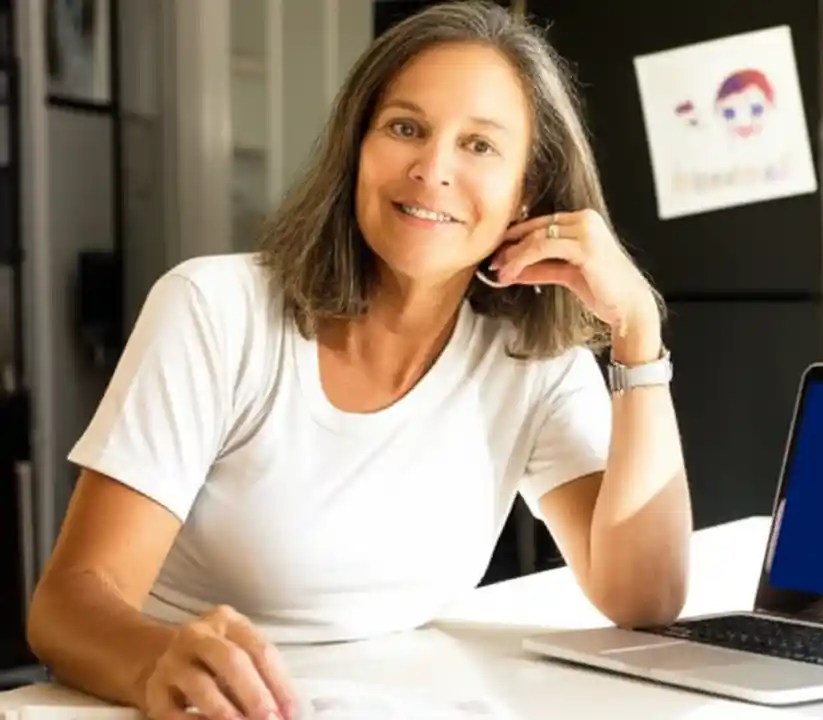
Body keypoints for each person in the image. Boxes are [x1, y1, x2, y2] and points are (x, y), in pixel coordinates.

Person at [25, 3, 692, 719]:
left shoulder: (531, 362)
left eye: (480, 146)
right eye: (406, 128)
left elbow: (642, 597)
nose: (433, 168)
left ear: (527, 193)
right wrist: (163, 663)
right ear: (357, 150)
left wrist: (637, 329)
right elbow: (67, 607)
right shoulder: (214, 311)